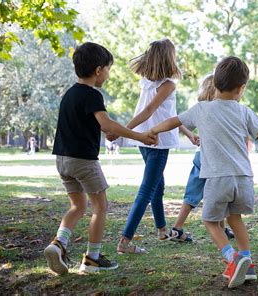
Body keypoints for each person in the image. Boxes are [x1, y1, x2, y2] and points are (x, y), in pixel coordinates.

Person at [150, 56, 258, 288]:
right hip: (244, 178)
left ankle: (232, 259)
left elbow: (174, 121)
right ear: (241, 89)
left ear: (214, 84)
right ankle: (247, 261)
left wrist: (154, 129)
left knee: (210, 220)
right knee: (235, 218)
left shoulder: (201, 109)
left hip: (218, 178)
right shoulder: (244, 111)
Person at [44, 42, 157, 275]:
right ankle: (92, 259)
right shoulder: (92, 95)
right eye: (108, 69)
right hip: (84, 161)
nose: (108, 73)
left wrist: (112, 131)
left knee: (77, 205)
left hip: (62, 160)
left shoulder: (69, 94)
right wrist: (139, 136)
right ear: (98, 70)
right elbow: (106, 124)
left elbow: (93, 126)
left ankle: (58, 244)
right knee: (100, 207)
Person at [115, 38, 183, 254]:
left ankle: (162, 230)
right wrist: (121, 129)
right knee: (147, 189)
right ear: (169, 58)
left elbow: (168, 114)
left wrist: (188, 132)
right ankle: (125, 241)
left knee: (157, 186)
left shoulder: (146, 82)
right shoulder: (168, 85)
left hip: (144, 139)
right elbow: (148, 112)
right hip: (156, 140)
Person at [168, 74, 234, 242]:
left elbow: (179, 120)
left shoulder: (201, 109)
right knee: (220, 192)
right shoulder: (222, 110)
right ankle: (221, 228)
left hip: (201, 156)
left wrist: (195, 136)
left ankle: (177, 227)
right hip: (214, 159)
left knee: (192, 193)